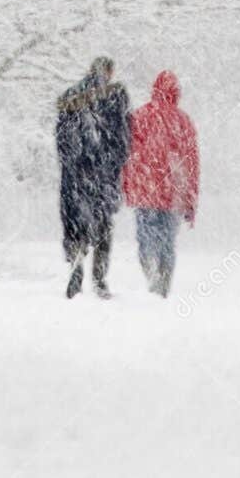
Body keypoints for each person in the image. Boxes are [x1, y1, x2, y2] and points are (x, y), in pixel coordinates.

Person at [55, 56, 131, 299]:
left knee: (75, 224)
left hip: (75, 177)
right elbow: (123, 137)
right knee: (102, 227)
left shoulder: (70, 95)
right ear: (109, 71)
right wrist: (114, 164)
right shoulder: (116, 95)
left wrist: (72, 166)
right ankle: (99, 279)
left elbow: (61, 140)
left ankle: (76, 265)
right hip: (102, 175)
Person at [123, 70, 199, 296]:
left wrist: (127, 186)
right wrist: (190, 200)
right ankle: (163, 285)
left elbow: (127, 156)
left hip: (144, 190)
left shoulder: (139, 117)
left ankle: (151, 274)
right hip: (172, 193)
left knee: (145, 239)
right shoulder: (183, 121)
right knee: (167, 243)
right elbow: (192, 163)